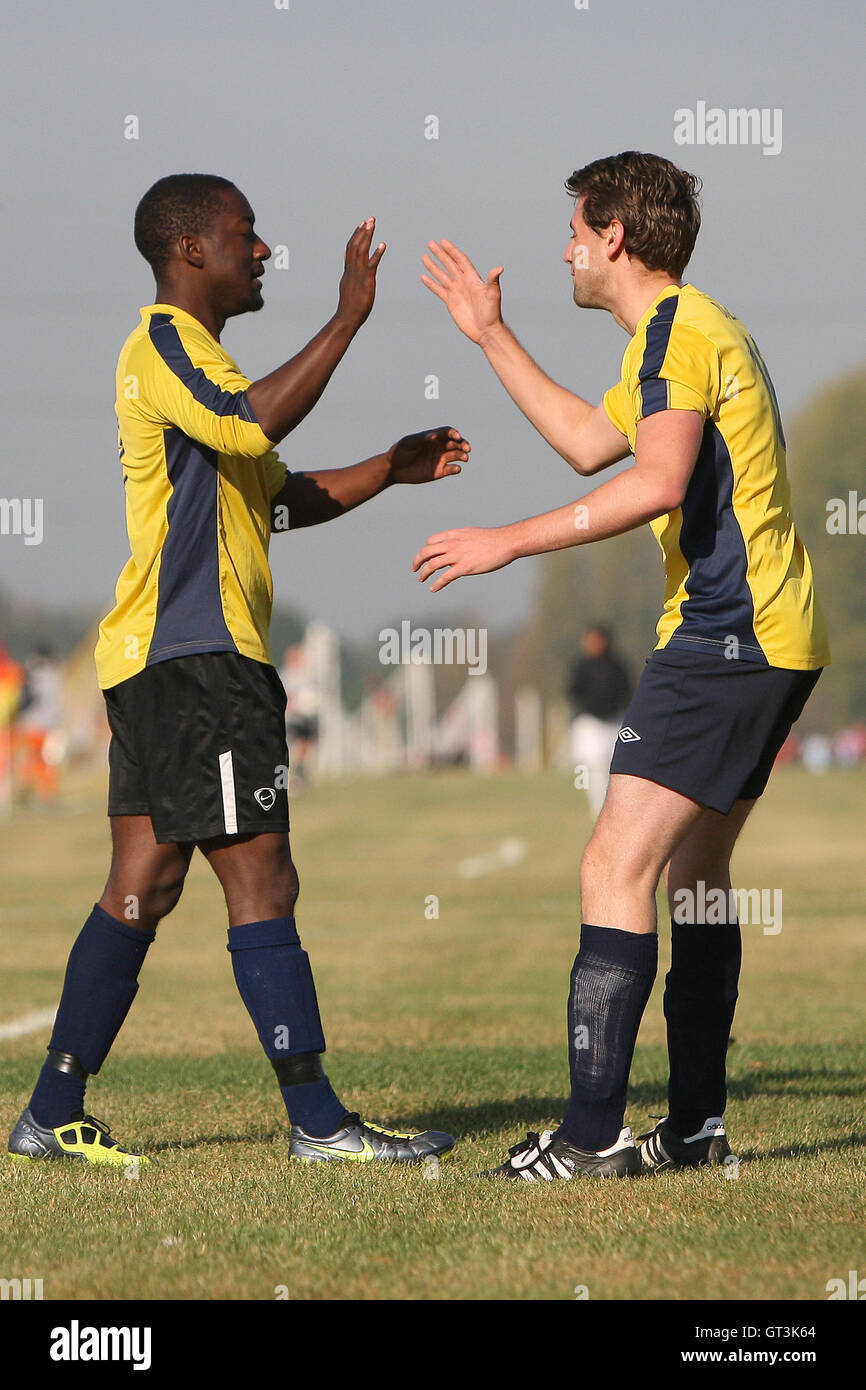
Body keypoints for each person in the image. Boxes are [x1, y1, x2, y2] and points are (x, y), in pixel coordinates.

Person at [8, 174, 469, 1169]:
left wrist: (385, 466)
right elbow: (254, 425)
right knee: (261, 876)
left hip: (156, 661)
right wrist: (346, 318)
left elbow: (279, 496)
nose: (261, 251)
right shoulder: (166, 345)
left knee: (142, 880)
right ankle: (317, 1123)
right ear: (189, 252)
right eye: (243, 235)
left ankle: (51, 1112)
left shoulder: (204, 365)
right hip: (198, 662)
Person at [416, 151, 828, 1180]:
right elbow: (585, 441)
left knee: (614, 864)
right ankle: (691, 1127)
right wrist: (490, 335)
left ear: (611, 236)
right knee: (691, 879)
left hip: (726, 635)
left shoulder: (676, 333)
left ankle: (591, 1134)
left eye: (571, 229)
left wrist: (506, 539)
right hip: (773, 633)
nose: (561, 247)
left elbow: (655, 480)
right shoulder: (685, 331)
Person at [567, 624, 631, 816]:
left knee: (616, 768)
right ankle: (599, 808)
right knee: (594, 766)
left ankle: (617, 808)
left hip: (614, 722)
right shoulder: (581, 666)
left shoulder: (617, 666)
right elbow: (573, 692)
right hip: (590, 724)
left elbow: (626, 692)